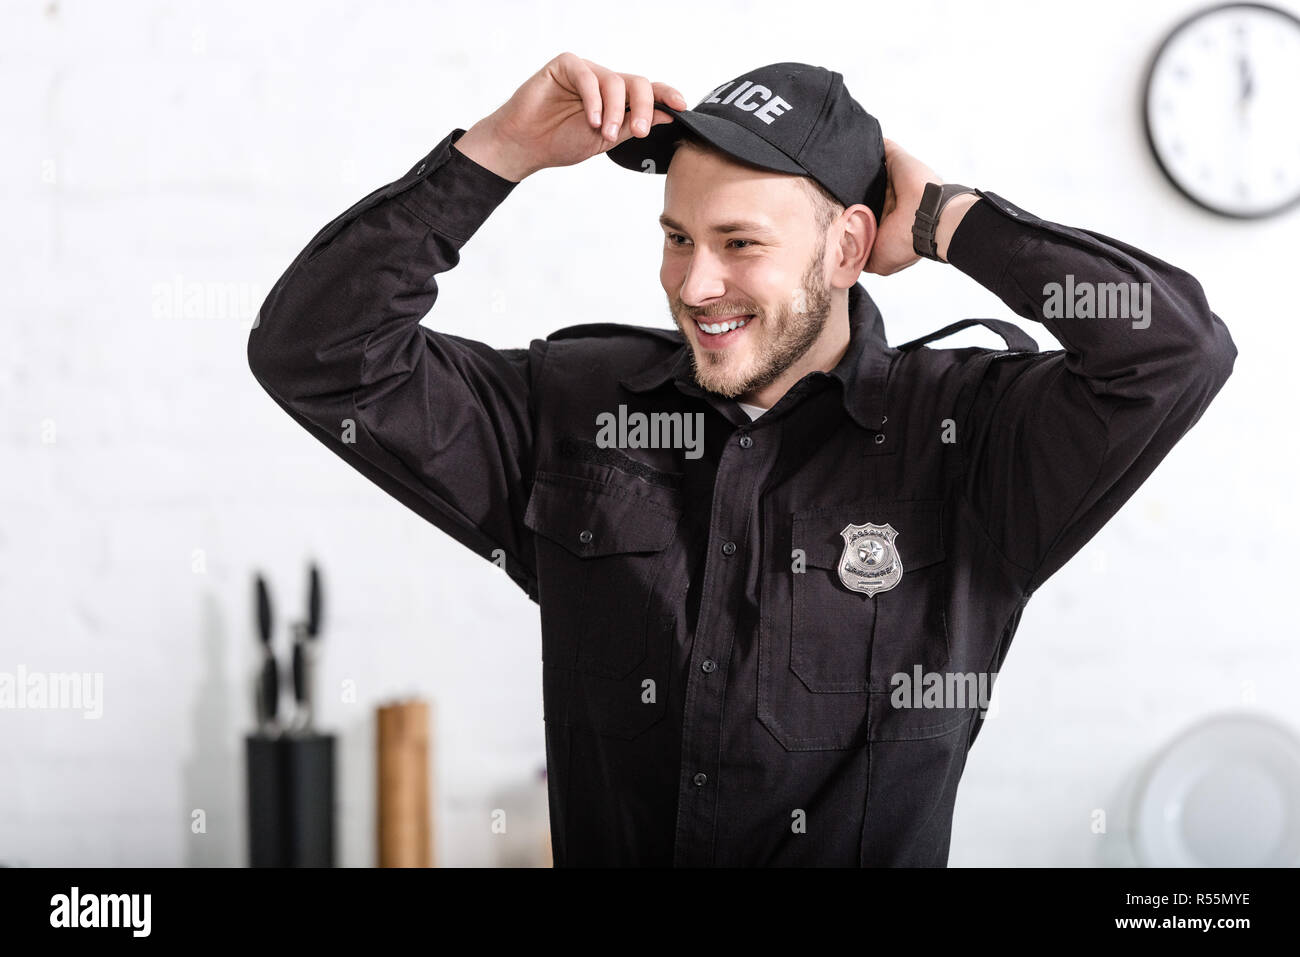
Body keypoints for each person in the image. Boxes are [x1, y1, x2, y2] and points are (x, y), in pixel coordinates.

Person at [247, 52, 1237, 866]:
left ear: (846, 248)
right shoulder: (578, 407)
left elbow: (1174, 353)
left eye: (737, 242)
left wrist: (945, 220)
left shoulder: (971, 440)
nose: (694, 282)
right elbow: (319, 354)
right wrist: (497, 153)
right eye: (676, 237)